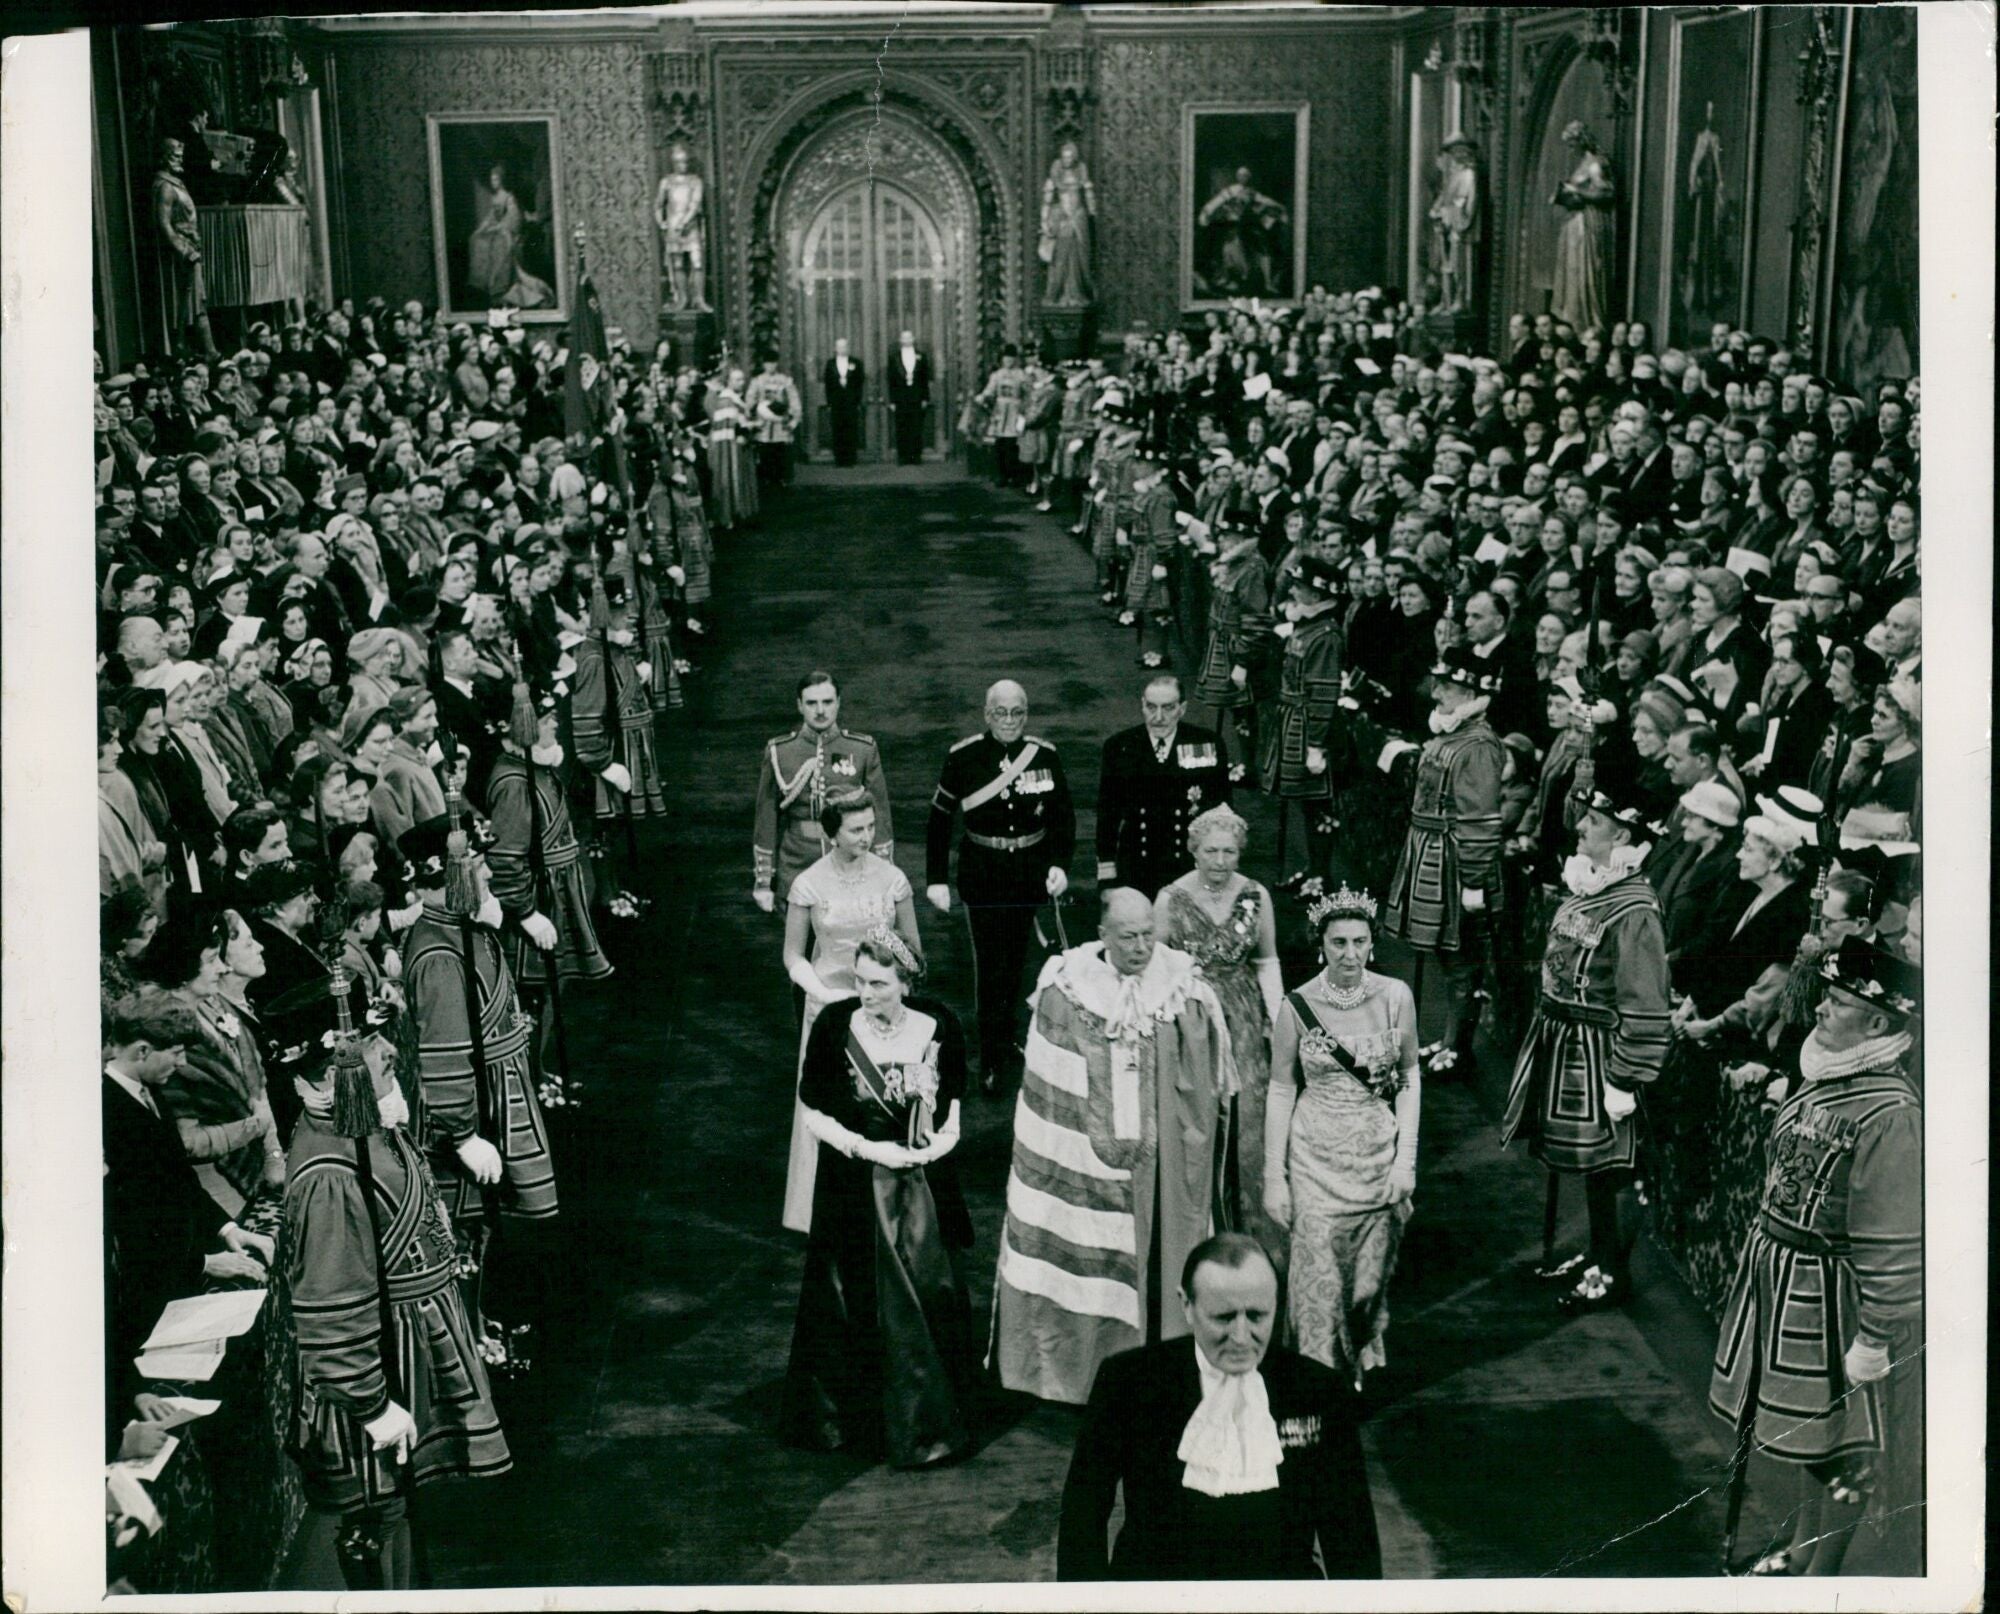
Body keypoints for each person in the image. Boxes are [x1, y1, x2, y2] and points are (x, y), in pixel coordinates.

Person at [276, 987, 510, 1590]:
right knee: (378, 1518)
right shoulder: (330, 1174)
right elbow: (329, 1300)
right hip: (376, 1367)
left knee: (403, 1511)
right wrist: (371, 1404)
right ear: (335, 1071)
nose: (390, 1054)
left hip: (407, 1351)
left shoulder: (362, 1127)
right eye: (372, 1045)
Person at [1708, 938, 1921, 1577]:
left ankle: (1819, 1575)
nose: (1821, 1010)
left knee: (1844, 1450)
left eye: (1838, 1002)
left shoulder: (1892, 1113)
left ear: (1877, 1024)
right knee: (1813, 1439)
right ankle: (1801, 1548)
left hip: (1838, 1297)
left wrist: (1875, 1335)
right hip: (1789, 1279)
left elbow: (1892, 1235)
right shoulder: (1828, 1075)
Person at [991, 888, 1234, 1404]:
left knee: (1159, 1254)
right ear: (1103, 935)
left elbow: (1200, 1090)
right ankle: (1077, 1366)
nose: (1142, 947)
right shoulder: (1066, 990)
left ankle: (1162, 1361)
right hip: (1081, 1166)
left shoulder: (1182, 991)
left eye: (1149, 934)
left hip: (1159, 1169)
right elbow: (1046, 1090)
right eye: (1128, 937)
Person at [1056, 1232, 1382, 1581]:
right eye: (1224, 1317)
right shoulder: (1129, 1382)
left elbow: (1350, 1534)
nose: (1241, 1336)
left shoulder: (1318, 1389)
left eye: (1257, 1316)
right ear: (1187, 1305)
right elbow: (1083, 1516)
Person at [779, 930, 976, 1467]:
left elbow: (953, 1108)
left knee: (928, 1292)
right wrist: (867, 1149)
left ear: (905, 984)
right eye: (861, 981)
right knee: (853, 1298)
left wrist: (935, 1147)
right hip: (855, 1189)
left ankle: (928, 1422)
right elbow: (813, 1112)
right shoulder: (834, 1026)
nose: (866, 993)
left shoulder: (939, 1025)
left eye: (880, 984)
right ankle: (862, 1424)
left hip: (922, 1189)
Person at [1501, 785, 1672, 1311]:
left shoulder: (1635, 908)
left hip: (1602, 1052)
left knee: (1612, 1164)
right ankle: (1597, 1252)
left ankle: (1613, 1270)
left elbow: (1645, 999)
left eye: (1592, 821)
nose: (1579, 827)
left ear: (1621, 836)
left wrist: (1627, 1076)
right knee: (1589, 1164)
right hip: (1566, 1042)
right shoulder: (1589, 887)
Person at [1266, 885, 1420, 1385]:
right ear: (1321, 945)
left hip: (1376, 1161)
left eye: (1359, 942)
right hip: (1314, 1160)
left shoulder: (1395, 997)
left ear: (1372, 943)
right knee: (1318, 1282)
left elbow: (1410, 1078)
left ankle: (1353, 1364)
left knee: (1365, 1287)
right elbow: (1280, 1091)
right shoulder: (1296, 1007)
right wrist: (1274, 1177)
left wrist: (1406, 1162)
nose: (1350, 954)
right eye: (1338, 943)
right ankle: (1317, 1382)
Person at [780, 791, 921, 1234]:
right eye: (856, 829)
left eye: (871, 827)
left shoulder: (893, 879)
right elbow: (792, 955)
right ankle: (818, 1212)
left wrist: (888, 986)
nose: (867, 836)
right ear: (832, 833)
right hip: (828, 1006)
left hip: (881, 1009)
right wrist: (822, 994)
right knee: (829, 1104)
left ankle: (886, 1210)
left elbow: (913, 953)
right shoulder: (808, 883)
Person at [925, 680, 1075, 1093]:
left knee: (1018, 962)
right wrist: (936, 878)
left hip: (1028, 873)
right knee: (989, 967)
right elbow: (940, 819)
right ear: (987, 714)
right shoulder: (964, 756)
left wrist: (1060, 864)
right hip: (984, 875)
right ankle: (990, 1054)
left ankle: (1010, 1038)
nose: (1009, 721)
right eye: (1001, 713)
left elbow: (1063, 817)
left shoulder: (1045, 756)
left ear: (1026, 714)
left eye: (1017, 713)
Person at [1156, 805, 1282, 1254]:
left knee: (1248, 1120)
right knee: (1197, 1118)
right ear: (1193, 850)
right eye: (1211, 850)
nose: (1220, 860)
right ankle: (1196, 1232)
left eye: (1229, 851)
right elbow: (1155, 970)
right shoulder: (1170, 898)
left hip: (1243, 1017)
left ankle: (1252, 1235)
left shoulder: (1256, 895)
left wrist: (1278, 1023)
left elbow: (1267, 962)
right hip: (1192, 1019)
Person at [1383, 645, 1506, 1076]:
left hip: (1454, 859)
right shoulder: (1449, 735)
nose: (1437, 693)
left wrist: (1472, 879)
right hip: (1428, 850)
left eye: (1447, 687)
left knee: (1461, 955)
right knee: (1442, 951)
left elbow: (1480, 818)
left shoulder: (1479, 746)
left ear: (1470, 693)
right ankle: (1448, 1039)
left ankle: (1458, 1046)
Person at [752, 671, 893, 912]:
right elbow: (766, 816)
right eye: (811, 703)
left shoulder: (862, 749)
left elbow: (879, 812)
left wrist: (884, 872)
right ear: (799, 705)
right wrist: (764, 881)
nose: (820, 710)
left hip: (851, 862)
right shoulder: (780, 752)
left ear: (838, 703)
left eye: (827, 702)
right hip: (796, 863)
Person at [1096, 674, 1231, 899]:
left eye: (1168, 708)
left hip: (1188, 868)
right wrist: (1107, 876)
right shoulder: (1120, 747)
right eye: (1151, 707)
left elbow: (1223, 815)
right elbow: (1107, 816)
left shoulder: (1206, 744)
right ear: (1142, 705)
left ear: (1182, 709)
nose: (1158, 717)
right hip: (1136, 867)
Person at [1256, 555, 1348, 884]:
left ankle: (1321, 875)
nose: (1293, 591)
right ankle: (1312, 870)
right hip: (1293, 720)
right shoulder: (1307, 626)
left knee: (1318, 804)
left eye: (1299, 586)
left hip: (1310, 728)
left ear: (1317, 594)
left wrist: (1316, 745)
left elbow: (1323, 692)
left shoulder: (1326, 635)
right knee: (1306, 804)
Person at [1039, 140, 1097, 308]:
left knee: (1079, 256)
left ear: (1074, 158)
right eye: (1064, 157)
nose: (1067, 160)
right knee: (1061, 256)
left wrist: (1092, 211)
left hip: (1078, 217)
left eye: (1070, 157)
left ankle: (1078, 292)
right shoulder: (1054, 177)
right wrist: (1044, 221)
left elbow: (1090, 199)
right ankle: (1059, 293)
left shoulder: (1081, 174)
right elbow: (1046, 202)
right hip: (1062, 219)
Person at [885, 328, 931, 466]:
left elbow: (925, 379)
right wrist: (892, 401)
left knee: (916, 427)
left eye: (909, 337)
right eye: (904, 338)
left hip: (917, 397)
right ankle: (903, 457)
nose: (906, 340)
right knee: (901, 428)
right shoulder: (894, 357)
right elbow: (891, 381)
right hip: (900, 398)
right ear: (900, 340)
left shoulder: (921, 356)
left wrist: (925, 398)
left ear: (913, 339)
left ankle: (916, 457)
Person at [822, 337, 866, 467]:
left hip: (851, 402)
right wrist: (829, 403)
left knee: (851, 430)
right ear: (835, 349)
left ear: (848, 348)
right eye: (839, 347)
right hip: (836, 402)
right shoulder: (830, 364)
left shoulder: (856, 363)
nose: (842, 349)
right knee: (837, 430)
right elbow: (827, 385)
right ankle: (839, 460)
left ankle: (851, 459)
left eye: (844, 346)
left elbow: (860, 383)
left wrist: (858, 401)